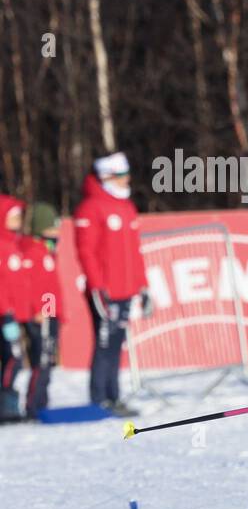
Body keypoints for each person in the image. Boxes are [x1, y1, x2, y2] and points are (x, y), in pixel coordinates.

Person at [73, 152, 148, 417]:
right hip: (104, 292)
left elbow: (135, 252)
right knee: (104, 345)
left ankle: (114, 397)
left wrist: (142, 285)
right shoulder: (90, 208)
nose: (127, 180)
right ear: (107, 177)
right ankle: (98, 400)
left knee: (117, 344)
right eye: (121, 176)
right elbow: (86, 251)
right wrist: (97, 287)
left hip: (126, 290)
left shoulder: (126, 207)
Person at [19, 202, 63, 419]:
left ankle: (42, 402)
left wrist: (57, 311)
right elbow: (30, 287)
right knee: (41, 360)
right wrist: (40, 310)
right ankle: (33, 405)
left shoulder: (47, 251)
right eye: (52, 229)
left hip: (50, 312)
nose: (56, 233)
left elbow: (50, 287)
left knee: (48, 359)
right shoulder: (31, 251)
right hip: (41, 315)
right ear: (41, 229)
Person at [0, 190, 26, 423]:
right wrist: (6, 310)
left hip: (14, 314)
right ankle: (6, 405)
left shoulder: (15, 244)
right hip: (4, 315)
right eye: (13, 216)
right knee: (13, 358)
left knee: (14, 358)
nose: (18, 220)